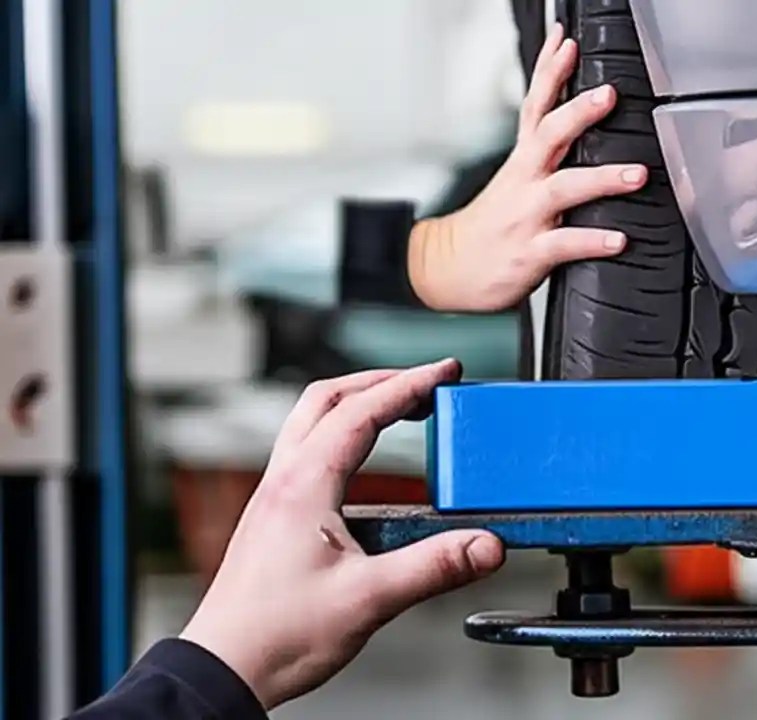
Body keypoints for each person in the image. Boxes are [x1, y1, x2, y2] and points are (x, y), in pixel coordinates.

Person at [70, 23, 642, 720]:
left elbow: (318, 242)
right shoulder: (257, 388)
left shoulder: (275, 255)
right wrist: (224, 661)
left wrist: (429, 249)